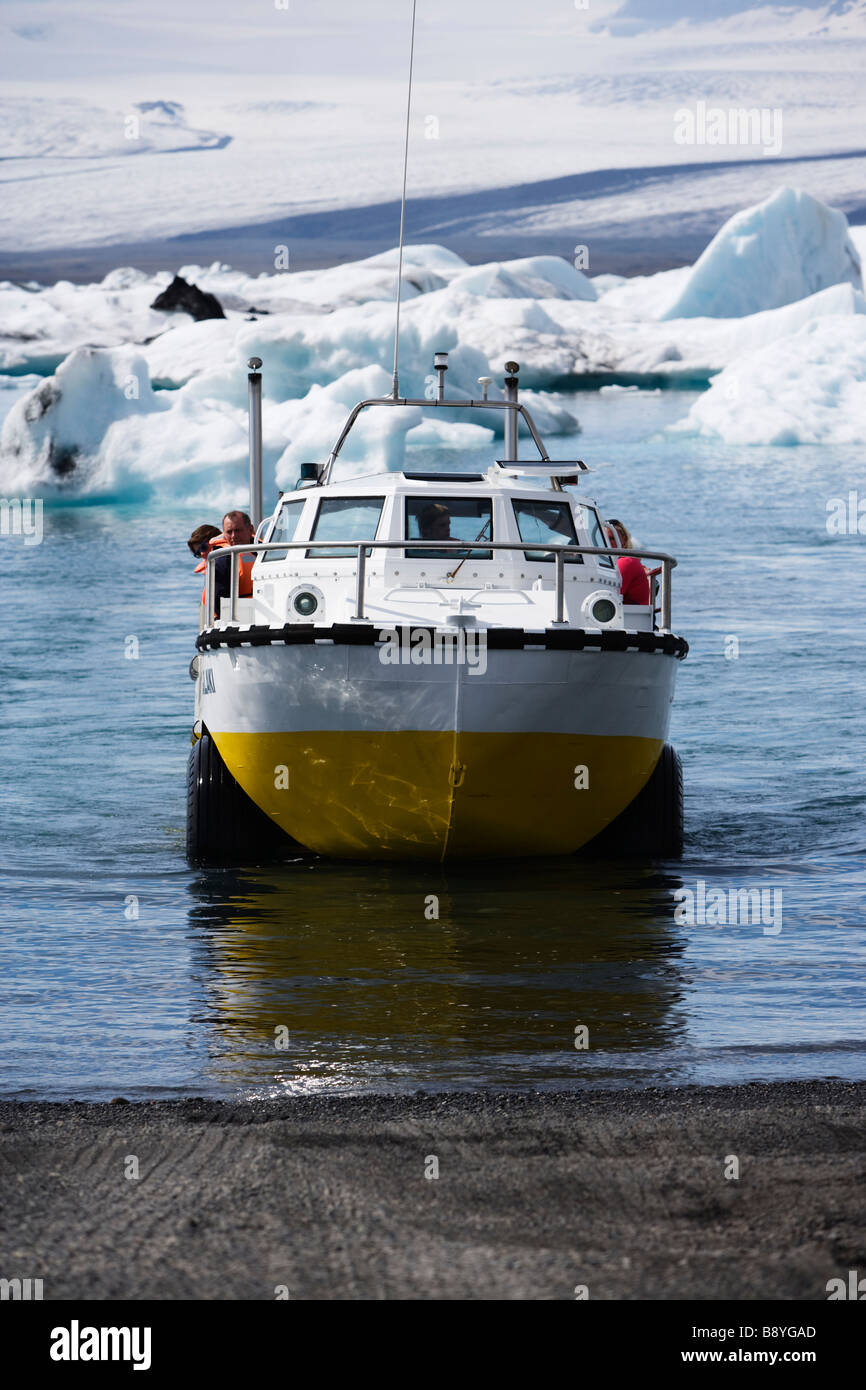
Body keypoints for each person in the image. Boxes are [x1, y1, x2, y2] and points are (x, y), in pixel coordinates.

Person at [212, 510, 256, 610]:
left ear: (250, 529)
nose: (234, 536)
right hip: (238, 616)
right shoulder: (221, 561)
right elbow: (219, 603)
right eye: (229, 532)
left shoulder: (266, 552)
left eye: (238, 530)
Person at [606, 517, 650, 605]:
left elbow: (612, 595)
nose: (607, 542)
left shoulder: (626, 562)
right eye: (603, 538)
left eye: (612, 538)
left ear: (624, 539)